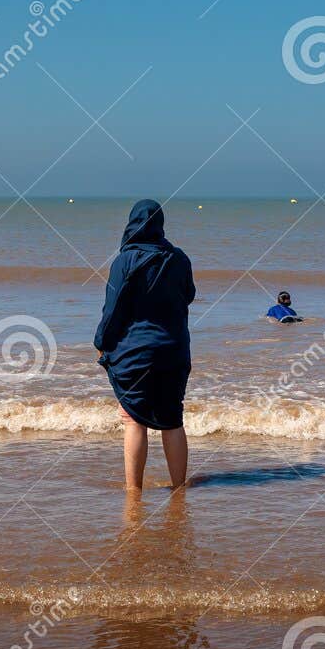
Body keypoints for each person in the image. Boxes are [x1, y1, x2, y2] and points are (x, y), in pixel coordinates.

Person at [94, 199, 196, 490]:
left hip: (135, 352)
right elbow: (188, 295)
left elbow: (112, 309)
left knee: (133, 420)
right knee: (172, 419)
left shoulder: (124, 261)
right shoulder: (179, 259)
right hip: (174, 350)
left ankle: (133, 492)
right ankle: (179, 488)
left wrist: (101, 342)